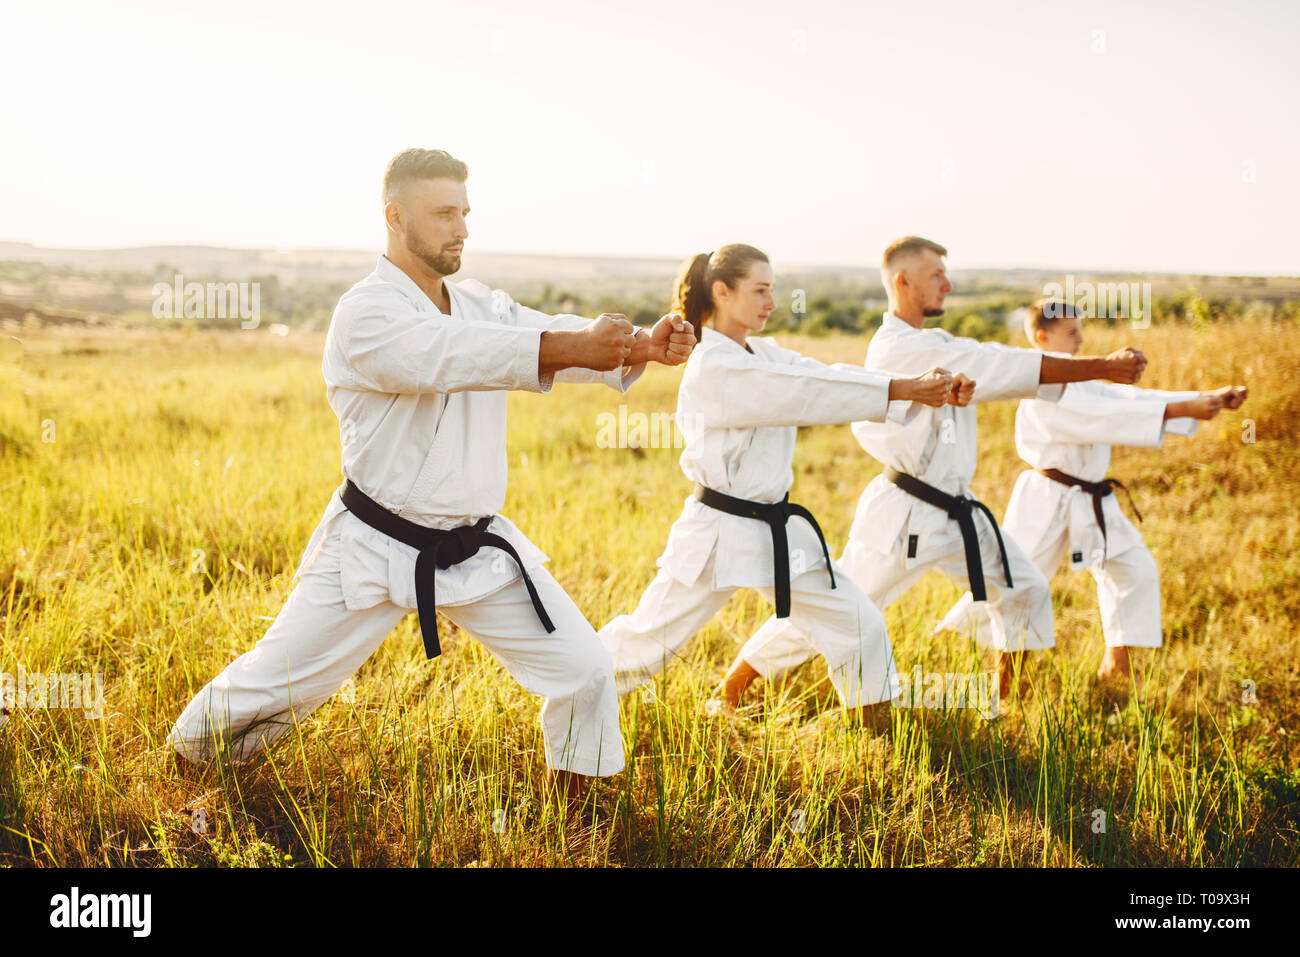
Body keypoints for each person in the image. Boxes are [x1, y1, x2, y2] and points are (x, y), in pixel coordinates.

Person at [167, 148, 696, 798]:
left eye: (466, 212)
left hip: (475, 547)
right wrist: (567, 345)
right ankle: (184, 774)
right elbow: (450, 355)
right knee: (273, 684)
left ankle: (574, 820)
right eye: (444, 213)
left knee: (584, 670)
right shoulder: (365, 313)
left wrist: (640, 343)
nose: (462, 228)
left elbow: (544, 329)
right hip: (374, 544)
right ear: (394, 216)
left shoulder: (479, 303)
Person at [721, 236, 1151, 705]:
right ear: (902, 282)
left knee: (1024, 590)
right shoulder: (898, 347)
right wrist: (1101, 367)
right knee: (840, 608)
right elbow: (998, 362)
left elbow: (981, 367)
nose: (947, 284)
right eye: (935, 275)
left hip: (956, 508)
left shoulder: (935, 343)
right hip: (906, 514)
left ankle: (1002, 700)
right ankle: (730, 690)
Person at [597, 244, 957, 726]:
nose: (771, 301)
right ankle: (576, 694)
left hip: (777, 530)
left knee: (858, 624)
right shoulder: (714, 365)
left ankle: (880, 742)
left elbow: (821, 375)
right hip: (719, 532)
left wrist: (908, 383)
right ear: (721, 292)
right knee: (645, 644)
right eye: (760, 290)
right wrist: (901, 389)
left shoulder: (761, 351)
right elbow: (804, 394)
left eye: (773, 290)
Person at [934, 299, 1247, 682]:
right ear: (1041, 337)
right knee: (1016, 582)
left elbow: (1127, 400)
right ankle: (954, 639)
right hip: (1046, 501)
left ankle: (1117, 666)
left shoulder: (1081, 383)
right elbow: (1107, 417)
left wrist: (1205, 398)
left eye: (1081, 331)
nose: (1081, 340)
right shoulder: (1042, 390)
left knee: (1133, 568)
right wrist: (1186, 410)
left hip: (1090, 499)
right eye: (1072, 333)